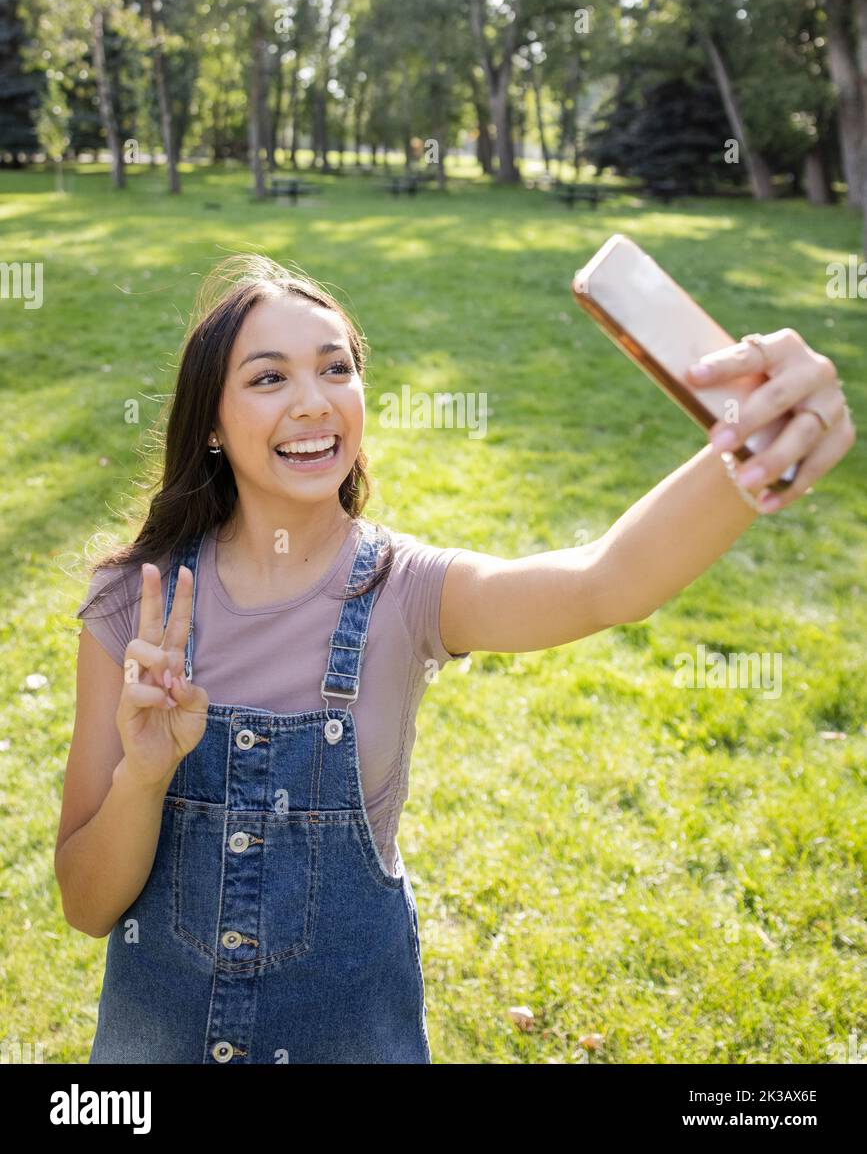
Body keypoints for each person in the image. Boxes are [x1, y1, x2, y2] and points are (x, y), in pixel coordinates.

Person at [55, 252, 854, 1064]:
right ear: (213, 425)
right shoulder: (134, 604)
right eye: (268, 378)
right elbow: (86, 904)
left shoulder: (405, 591)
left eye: (337, 369)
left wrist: (759, 447)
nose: (313, 401)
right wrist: (143, 777)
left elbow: (603, 582)